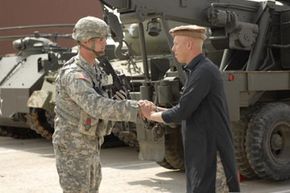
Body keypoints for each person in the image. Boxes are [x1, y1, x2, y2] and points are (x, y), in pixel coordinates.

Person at [140, 25, 240, 193]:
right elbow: (187, 108)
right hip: (201, 152)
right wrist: (155, 108)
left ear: (188, 45)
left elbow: (182, 112)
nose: (173, 49)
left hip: (211, 154)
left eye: (176, 44)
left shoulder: (204, 71)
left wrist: (151, 115)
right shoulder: (197, 71)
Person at [52, 16, 142, 193]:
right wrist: (135, 108)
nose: (104, 42)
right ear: (86, 40)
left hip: (90, 142)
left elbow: (105, 97)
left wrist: (117, 97)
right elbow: (96, 106)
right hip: (73, 146)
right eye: (100, 39)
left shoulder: (96, 69)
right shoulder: (74, 74)